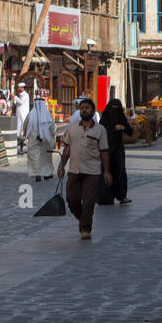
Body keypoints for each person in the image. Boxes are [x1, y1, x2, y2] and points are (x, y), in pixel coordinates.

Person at [58, 97, 112, 240]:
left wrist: (106, 171)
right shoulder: (73, 128)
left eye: (87, 108)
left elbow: (105, 151)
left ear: (93, 111)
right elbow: (67, 149)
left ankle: (86, 228)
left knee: (88, 201)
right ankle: (83, 219)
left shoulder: (100, 130)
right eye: (82, 108)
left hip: (92, 171)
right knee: (71, 199)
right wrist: (61, 166)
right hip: (74, 170)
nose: (84, 110)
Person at [99, 98, 137, 204]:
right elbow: (101, 131)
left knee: (120, 171)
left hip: (118, 149)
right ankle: (105, 197)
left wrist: (123, 127)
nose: (114, 112)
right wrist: (113, 128)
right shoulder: (105, 119)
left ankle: (121, 196)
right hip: (106, 148)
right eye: (113, 109)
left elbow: (130, 132)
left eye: (117, 109)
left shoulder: (121, 118)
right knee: (106, 171)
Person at [21, 96, 56, 181]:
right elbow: (52, 128)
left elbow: (25, 126)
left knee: (34, 156)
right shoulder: (47, 115)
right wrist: (52, 139)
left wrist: (25, 134)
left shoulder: (30, 115)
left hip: (33, 139)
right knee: (45, 157)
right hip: (46, 139)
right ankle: (46, 173)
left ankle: (36, 173)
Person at [14, 82, 31, 152]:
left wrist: (15, 97)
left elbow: (21, 102)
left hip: (23, 114)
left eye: (19, 88)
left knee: (23, 128)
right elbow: (16, 103)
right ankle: (18, 141)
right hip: (19, 114)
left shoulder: (25, 95)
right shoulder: (20, 95)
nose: (18, 89)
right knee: (18, 127)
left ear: (22, 88)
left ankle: (23, 142)